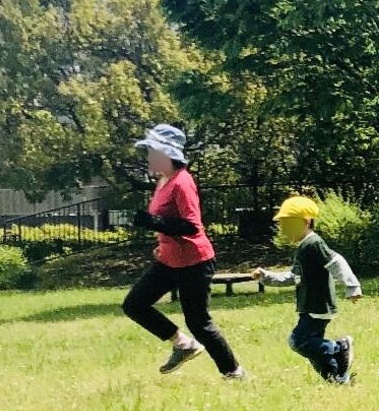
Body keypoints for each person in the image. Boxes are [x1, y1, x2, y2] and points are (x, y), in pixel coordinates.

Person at [119, 123, 246, 380]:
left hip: (194, 262)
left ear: (166, 154)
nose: (148, 157)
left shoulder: (182, 182)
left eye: (151, 151)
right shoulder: (163, 181)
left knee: (199, 322)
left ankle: (234, 373)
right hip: (169, 260)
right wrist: (161, 241)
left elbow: (191, 226)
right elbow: (168, 223)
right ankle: (183, 344)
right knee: (134, 304)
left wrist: (154, 223)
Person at [256, 194, 352, 384]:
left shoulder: (314, 243)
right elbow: (293, 277)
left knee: (298, 342)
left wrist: (352, 285)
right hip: (310, 306)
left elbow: (336, 261)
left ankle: (339, 347)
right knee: (313, 351)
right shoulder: (304, 247)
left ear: (306, 222)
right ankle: (337, 377)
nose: (284, 229)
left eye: (288, 223)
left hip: (317, 305)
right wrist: (266, 277)